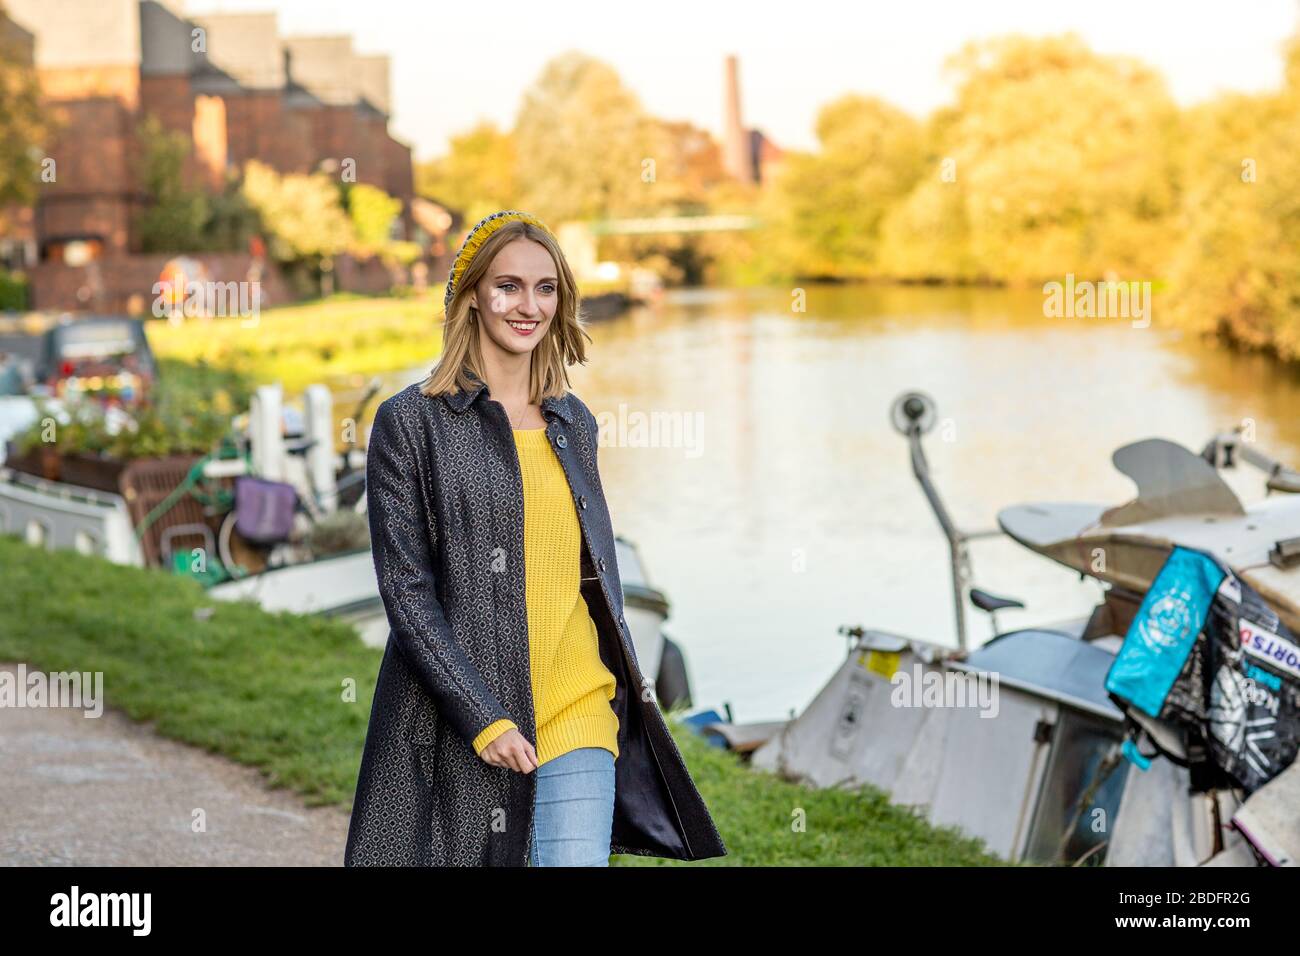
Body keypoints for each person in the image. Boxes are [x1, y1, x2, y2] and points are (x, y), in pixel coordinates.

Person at [344, 210, 728, 867]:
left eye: (546, 288)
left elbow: (586, 570)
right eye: (509, 286)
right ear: (469, 298)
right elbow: (408, 594)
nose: (530, 306)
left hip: (577, 704)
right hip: (466, 715)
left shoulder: (571, 420)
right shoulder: (410, 424)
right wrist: (482, 716)